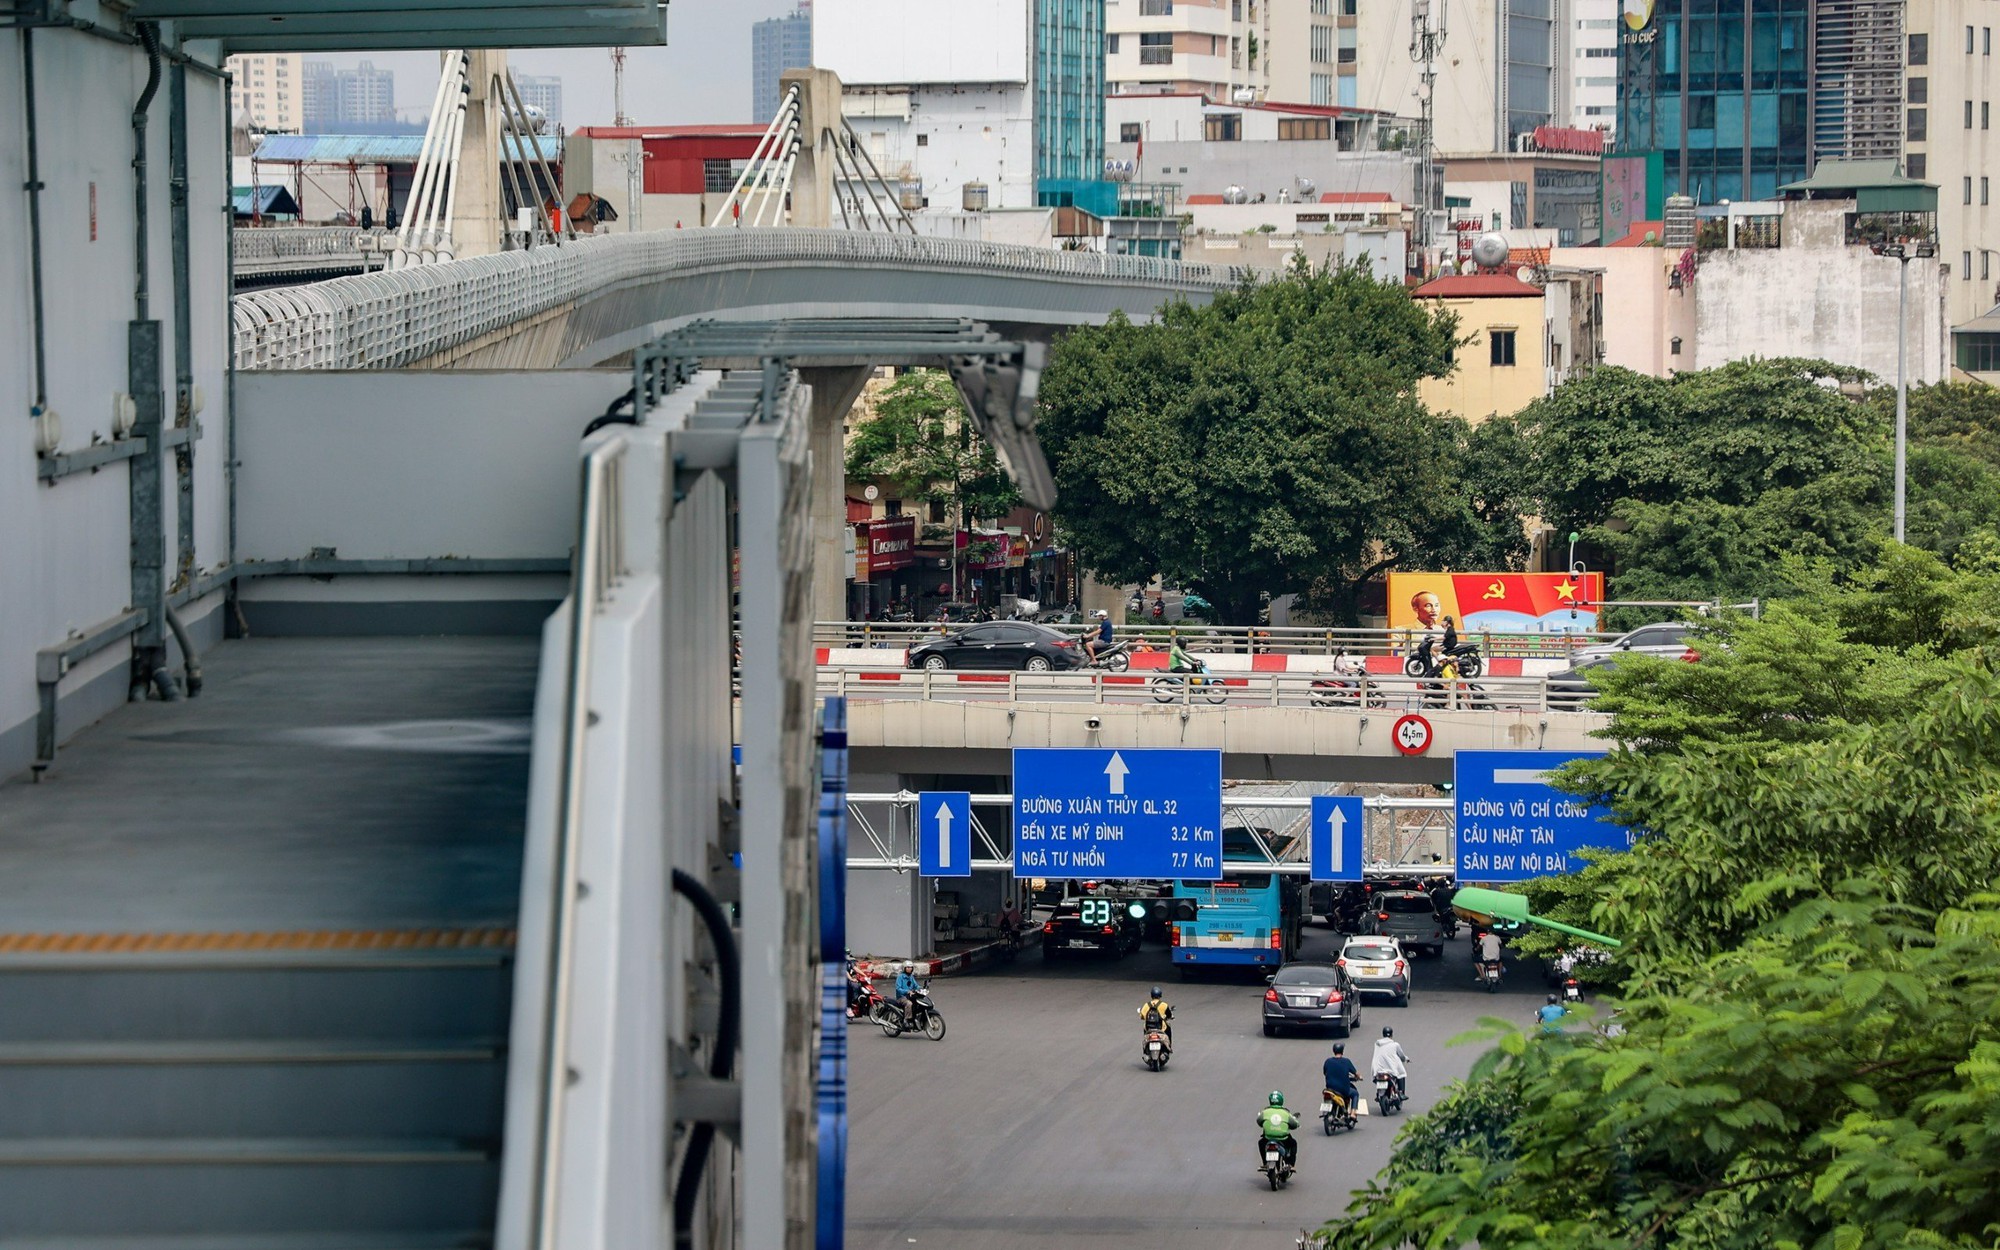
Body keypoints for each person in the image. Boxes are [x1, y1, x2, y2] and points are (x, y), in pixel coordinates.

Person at [1256, 1091, 1300, 1169]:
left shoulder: (1265, 1112)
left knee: (1261, 1143)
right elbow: (1294, 1125)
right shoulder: (1286, 1113)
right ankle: (1290, 1164)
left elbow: (1259, 1122)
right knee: (1293, 1143)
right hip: (1283, 1139)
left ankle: (1265, 1163)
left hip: (1268, 1138)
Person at [1322, 1041, 1361, 1121]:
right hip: (1343, 1090)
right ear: (1342, 1051)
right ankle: (1353, 1113)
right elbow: (1356, 1073)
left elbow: (1325, 1072)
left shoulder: (1328, 1061)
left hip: (1330, 1089)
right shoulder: (1346, 1061)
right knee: (1355, 1094)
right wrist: (1359, 1077)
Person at [1371, 1027, 1410, 1102]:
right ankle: (1401, 1092)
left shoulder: (1377, 1044)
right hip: (1390, 1069)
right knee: (1401, 1073)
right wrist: (1405, 1059)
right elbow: (1401, 1056)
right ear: (1392, 1035)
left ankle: (1378, 1094)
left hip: (1377, 1069)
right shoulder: (1395, 1045)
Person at [893, 963, 923, 1030]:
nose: (910, 969)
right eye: (908, 967)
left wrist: (921, 988)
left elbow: (916, 986)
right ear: (904, 968)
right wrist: (907, 991)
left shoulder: (911, 977)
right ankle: (906, 1020)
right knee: (909, 1003)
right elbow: (898, 989)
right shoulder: (900, 977)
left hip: (910, 996)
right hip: (901, 997)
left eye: (911, 967)